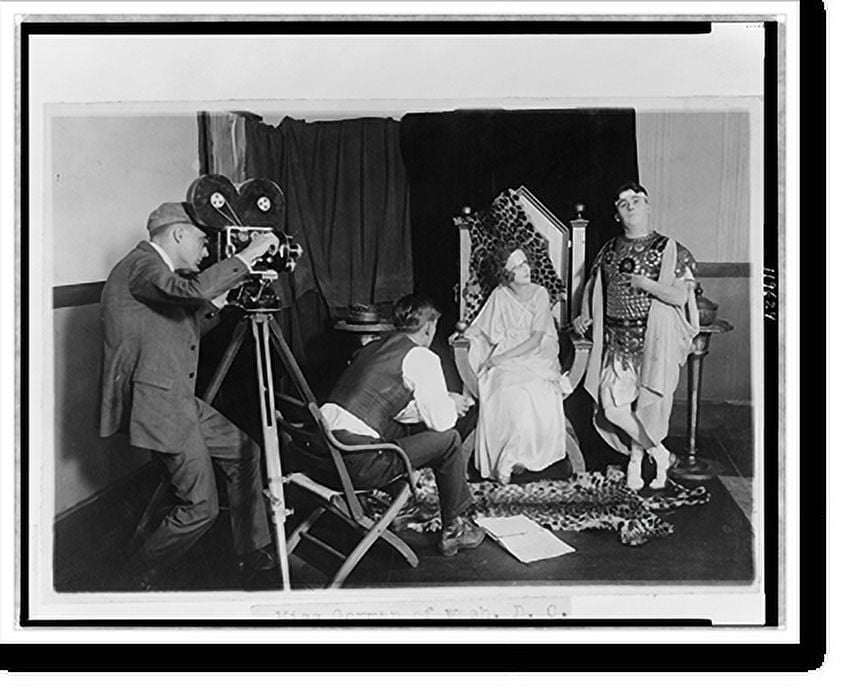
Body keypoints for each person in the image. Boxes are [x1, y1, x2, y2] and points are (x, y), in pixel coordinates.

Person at [99, 201, 280, 588]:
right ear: (178, 233)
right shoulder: (143, 265)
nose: (205, 251)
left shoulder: (158, 276)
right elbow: (191, 290)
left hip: (174, 396)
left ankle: (253, 551)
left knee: (245, 451)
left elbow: (182, 332)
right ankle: (133, 578)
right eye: (202, 241)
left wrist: (220, 300)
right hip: (159, 404)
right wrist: (247, 256)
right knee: (200, 507)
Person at [320, 293, 485, 557]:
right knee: (451, 440)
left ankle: (404, 505)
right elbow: (442, 424)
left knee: (406, 429)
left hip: (323, 452)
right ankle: (454, 528)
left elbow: (395, 409)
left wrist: (442, 400)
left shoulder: (373, 346)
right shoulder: (421, 357)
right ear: (430, 327)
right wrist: (451, 404)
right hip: (357, 463)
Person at [574, 182, 699, 490]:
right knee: (613, 407)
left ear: (648, 206)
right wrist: (584, 315)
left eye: (636, 200)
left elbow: (680, 298)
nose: (630, 205)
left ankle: (635, 461)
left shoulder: (671, 249)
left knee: (648, 406)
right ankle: (659, 452)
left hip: (654, 341)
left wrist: (648, 285)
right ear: (617, 215)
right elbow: (594, 289)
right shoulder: (608, 250)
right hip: (616, 341)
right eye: (622, 203)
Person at [463, 247, 574, 484]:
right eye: (516, 266)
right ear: (505, 274)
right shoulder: (500, 294)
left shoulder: (540, 293)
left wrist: (500, 359)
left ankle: (516, 457)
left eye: (525, 263)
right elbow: (481, 326)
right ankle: (507, 457)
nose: (525, 269)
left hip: (538, 353)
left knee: (528, 391)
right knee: (503, 388)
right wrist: (461, 335)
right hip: (508, 351)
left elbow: (535, 340)